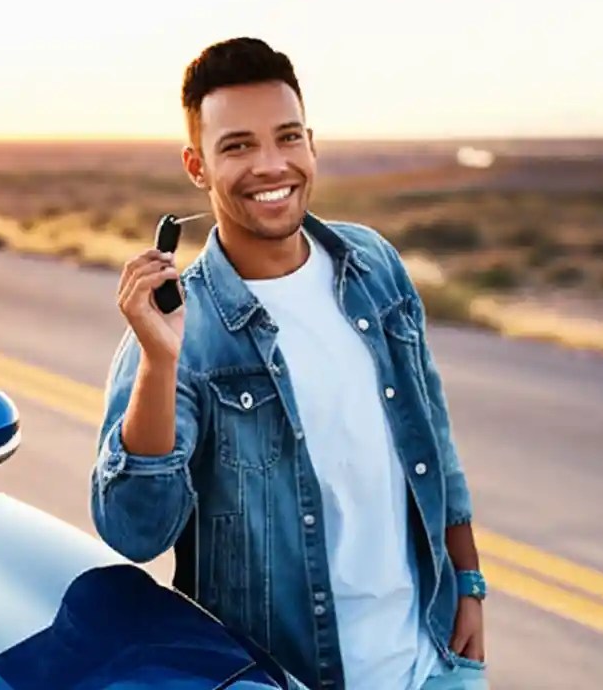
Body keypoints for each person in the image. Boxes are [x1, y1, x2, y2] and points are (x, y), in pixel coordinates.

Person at [89, 37, 488, 690]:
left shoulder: (373, 266)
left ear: (311, 144)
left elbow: (432, 438)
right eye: (238, 145)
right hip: (290, 677)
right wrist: (160, 364)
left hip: (433, 663)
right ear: (197, 165)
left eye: (288, 137)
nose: (271, 166)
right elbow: (134, 530)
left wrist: (468, 580)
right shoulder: (180, 331)